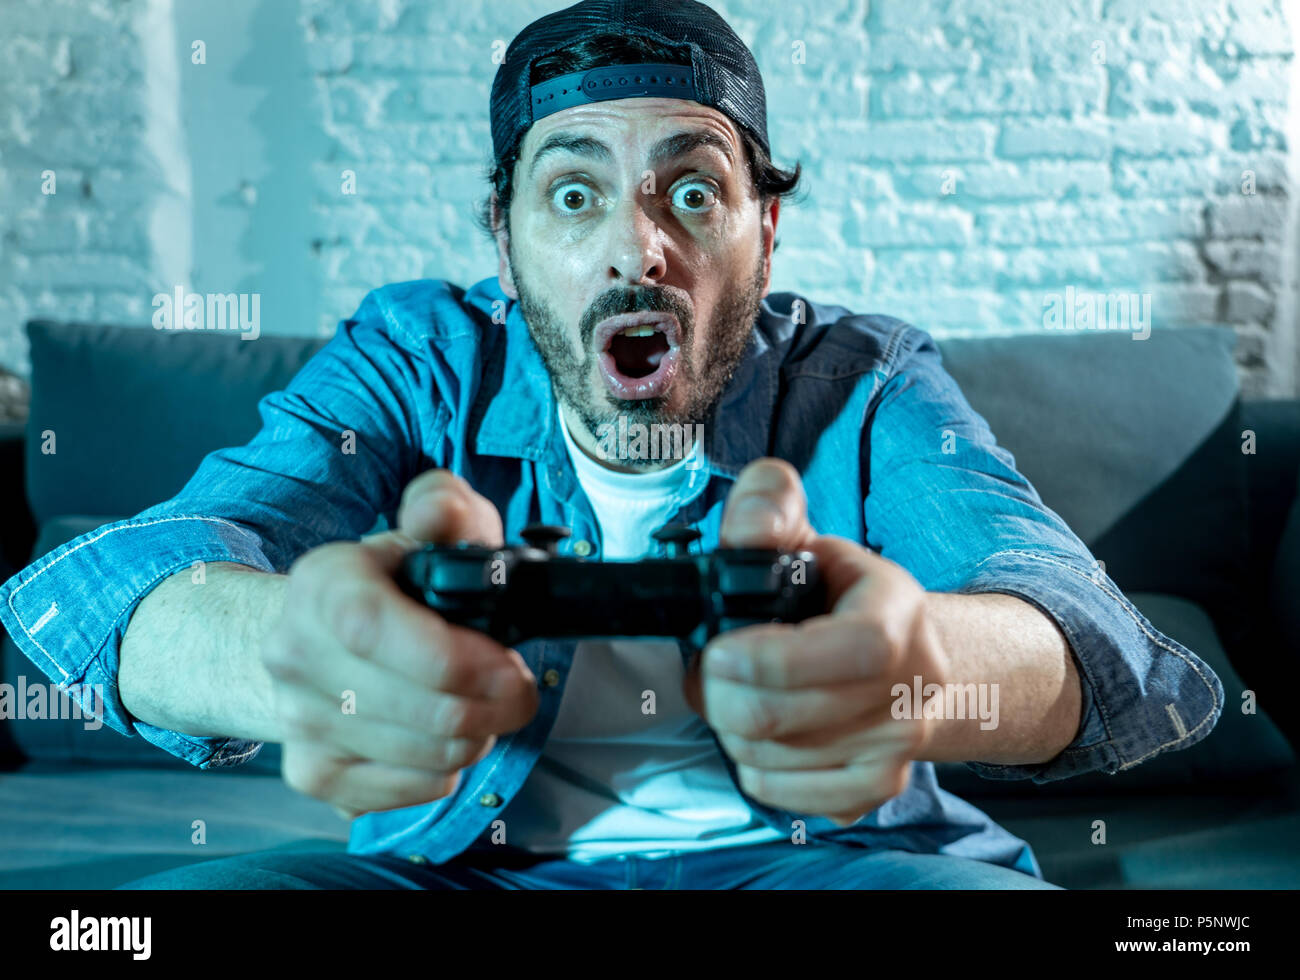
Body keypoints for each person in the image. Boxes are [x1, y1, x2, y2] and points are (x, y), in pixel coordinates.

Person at [0, 0, 1223, 890]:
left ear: (765, 226)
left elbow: (1077, 623)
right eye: (573, 193)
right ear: (506, 233)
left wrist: (911, 666)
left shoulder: (865, 377)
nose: (637, 249)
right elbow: (128, 575)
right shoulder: (413, 353)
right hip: (463, 872)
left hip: (832, 867)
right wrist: (294, 649)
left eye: (692, 191)